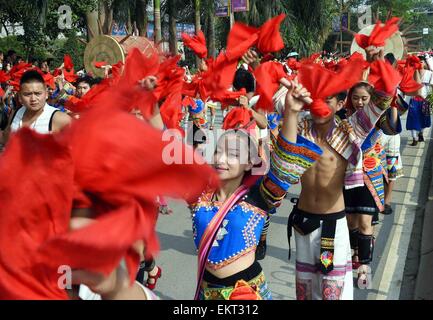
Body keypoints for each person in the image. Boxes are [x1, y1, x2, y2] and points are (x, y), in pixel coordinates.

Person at [279, 47, 393, 300]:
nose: (320, 104)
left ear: (341, 103)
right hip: (303, 223)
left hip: (334, 224)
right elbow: (285, 158)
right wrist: (292, 109)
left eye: (328, 99)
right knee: (306, 290)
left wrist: (380, 64)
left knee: (334, 290)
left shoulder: (350, 130)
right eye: (317, 97)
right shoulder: (301, 128)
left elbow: (383, 99)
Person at [190, 80, 322, 300]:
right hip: (206, 292)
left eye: (232, 154)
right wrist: (154, 107)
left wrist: (291, 112)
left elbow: (283, 163)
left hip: (247, 292)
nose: (221, 159)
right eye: (217, 152)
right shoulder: (200, 193)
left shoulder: (260, 196)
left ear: (250, 162)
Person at [343, 81, 401, 286]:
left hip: (370, 173)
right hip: (348, 175)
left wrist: (391, 102)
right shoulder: (342, 117)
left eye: (364, 98)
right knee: (351, 222)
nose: (359, 102)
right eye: (355, 97)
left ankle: (364, 269)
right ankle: (354, 254)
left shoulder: (377, 117)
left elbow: (392, 129)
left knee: (365, 222)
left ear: (371, 99)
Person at [2, 70, 72, 144]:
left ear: (46, 94)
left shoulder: (59, 118)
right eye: (27, 94)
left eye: (38, 94)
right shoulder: (15, 114)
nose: (33, 99)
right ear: (19, 96)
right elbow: (5, 138)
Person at [406, 55, 433, 146]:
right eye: (418, 62)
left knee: (423, 118)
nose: (420, 64)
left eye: (421, 62)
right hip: (414, 99)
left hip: (425, 99)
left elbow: (432, 87)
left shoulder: (429, 74)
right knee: (413, 118)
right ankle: (415, 138)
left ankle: (421, 133)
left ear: (425, 63)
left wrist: (430, 98)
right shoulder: (411, 73)